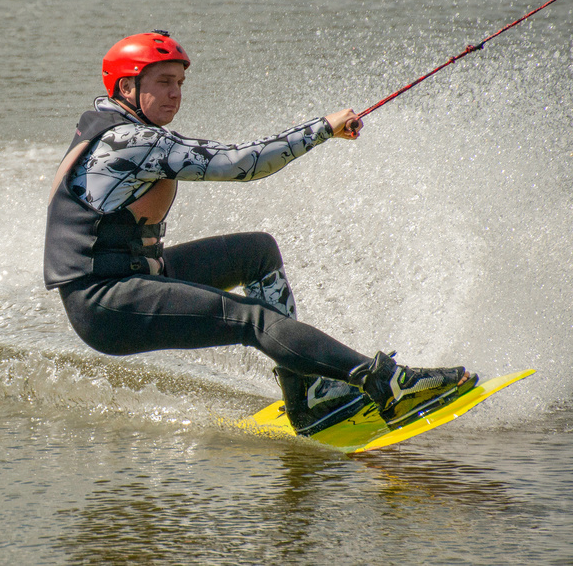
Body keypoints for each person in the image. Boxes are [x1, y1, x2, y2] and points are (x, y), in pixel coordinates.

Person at [43, 30, 476, 433]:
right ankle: (384, 383)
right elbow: (238, 164)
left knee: (258, 252)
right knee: (252, 320)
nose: (176, 94)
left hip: (138, 275)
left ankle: (305, 394)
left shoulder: (111, 129)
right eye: (163, 82)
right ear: (126, 88)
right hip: (105, 303)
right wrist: (322, 128)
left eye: (180, 83)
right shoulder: (131, 141)